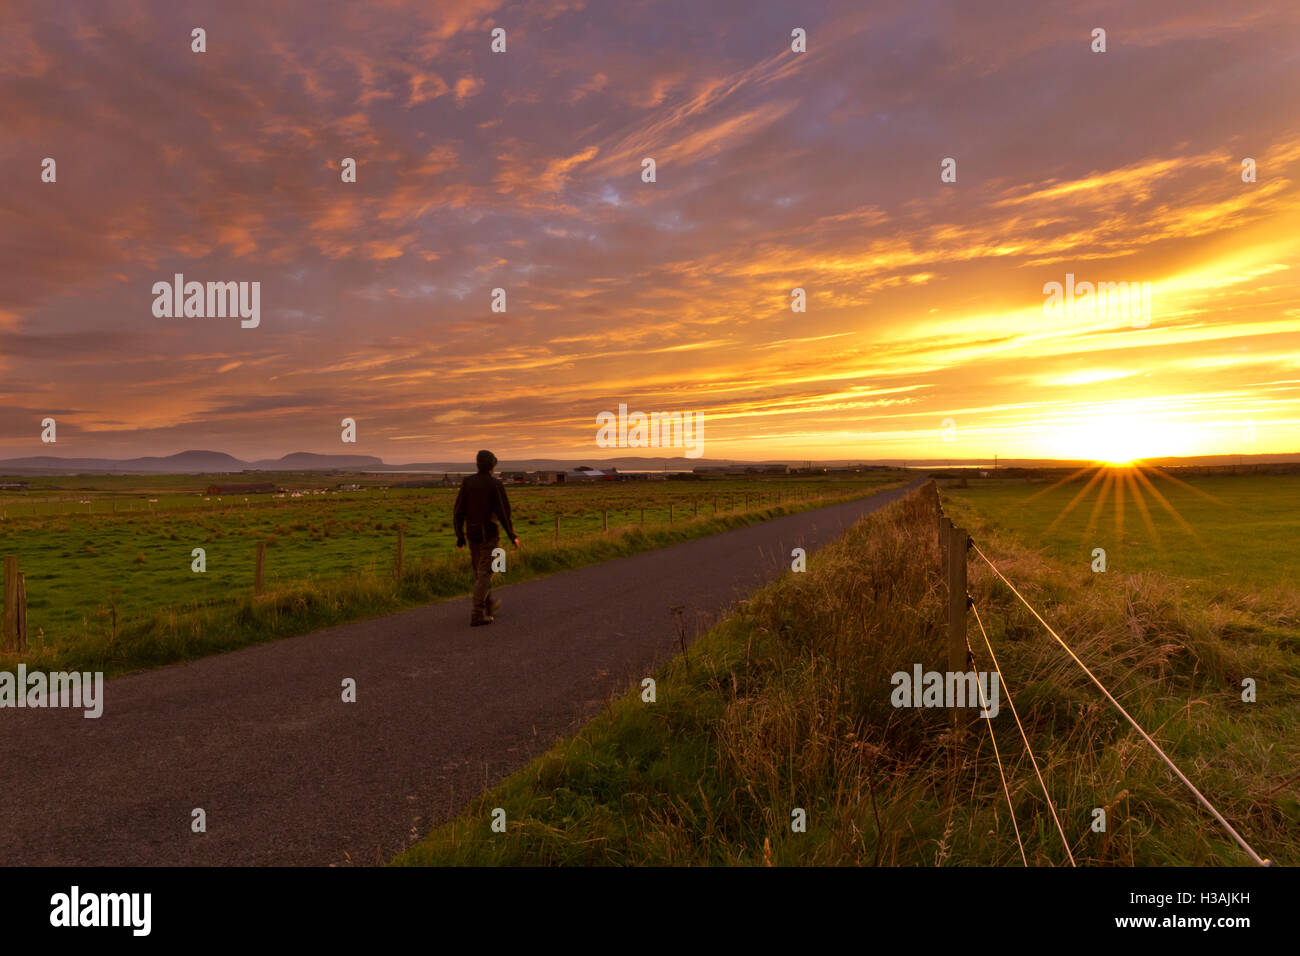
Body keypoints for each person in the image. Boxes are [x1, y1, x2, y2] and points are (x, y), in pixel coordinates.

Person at [453, 450, 520, 626]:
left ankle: (488, 605)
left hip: (471, 533)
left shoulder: (468, 483)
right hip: (488, 534)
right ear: (492, 465)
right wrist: (512, 536)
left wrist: (460, 536)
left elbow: (458, 511)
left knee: (479, 572)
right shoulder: (494, 484)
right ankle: (477, 613)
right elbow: (504, 513)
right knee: (485, 573)